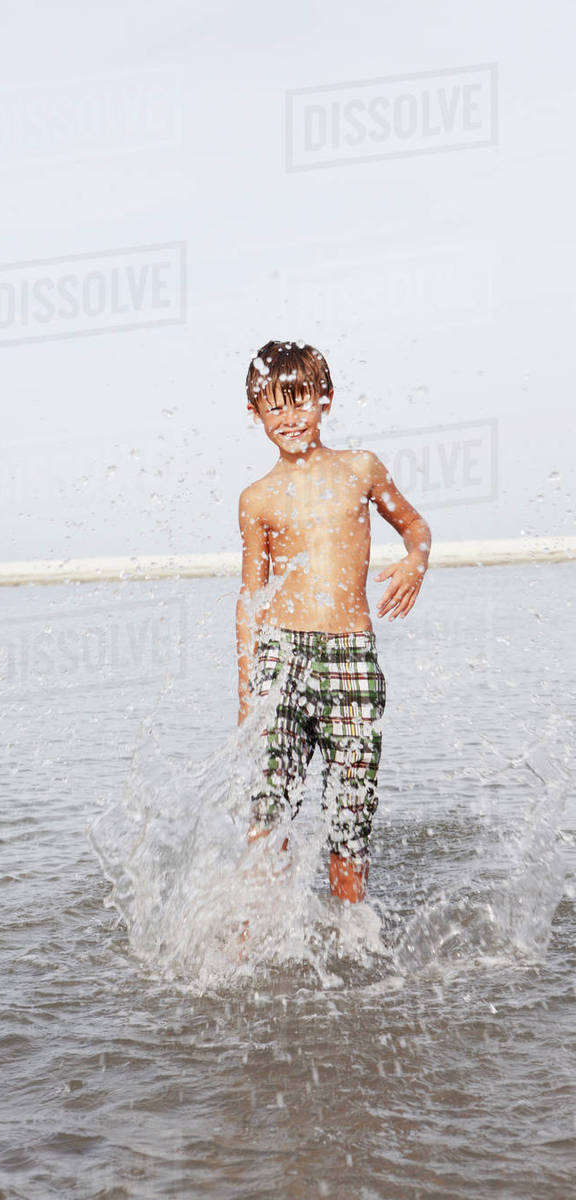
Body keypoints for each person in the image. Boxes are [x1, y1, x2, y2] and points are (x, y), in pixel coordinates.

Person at [236, 340, 431, 904]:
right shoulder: (257, 499)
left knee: (351, 814)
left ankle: (352, 941)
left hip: (351, 655)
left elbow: (415, 528)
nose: (289, 417)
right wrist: (247, 691)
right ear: (255, 414)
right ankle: (255, 940)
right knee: (269, 808)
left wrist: (415, 562)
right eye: (275, 406)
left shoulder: (360, 469)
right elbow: (250, 598)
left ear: (325, 399)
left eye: (300, 402)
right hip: (279, 656)